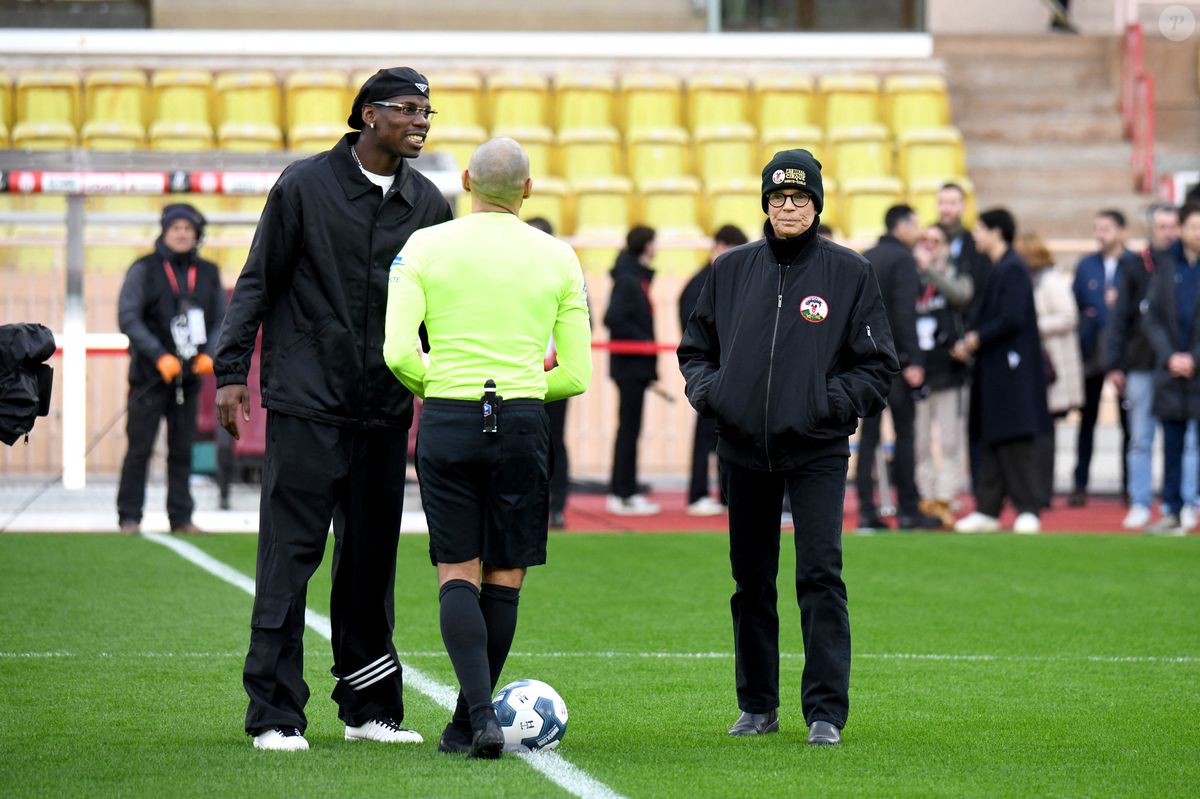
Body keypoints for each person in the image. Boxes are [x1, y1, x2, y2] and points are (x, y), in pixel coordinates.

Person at [214, 67, 453, 752]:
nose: (422, 120)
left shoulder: (429, 205)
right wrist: (232, 370)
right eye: (409, 110)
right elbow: (257, 279)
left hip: (383, 414)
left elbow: (437, 313)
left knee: (371, 566)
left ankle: (370, 708)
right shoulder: (303, 186)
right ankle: (276, 713)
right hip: (305, 407)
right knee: (289, 558)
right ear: (369, 114)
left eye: (427, 111)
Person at [678, 149, 899, 746]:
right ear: (765, 204)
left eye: (800, 198)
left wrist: (825, 405)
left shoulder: (850, 273)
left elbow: (877, 366)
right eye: (779, 198)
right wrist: (715, 394)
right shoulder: (729, 271)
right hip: (744, 449)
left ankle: (825, 713)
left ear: (818, 203)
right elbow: (695, 349)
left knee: (820, 575)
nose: (789, 207)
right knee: (751, 581)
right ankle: (757, 706)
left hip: (818, 450)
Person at [383, 137, 592, 757]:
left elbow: (397, 352)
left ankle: (476, 717)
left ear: (467, 181)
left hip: (448, 416)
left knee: (457, 570)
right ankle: (467, 721)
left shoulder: (424, 245)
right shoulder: (558, 256)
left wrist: (443, 387)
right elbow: (576, 374)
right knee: (505, 576)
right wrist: (524, 389)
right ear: (528, 189)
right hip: (523, 421)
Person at [116, 203, 224, 535]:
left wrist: (211, 353)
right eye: (175, 228)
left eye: (188, 229)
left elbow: (221, 319)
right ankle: (129, 517)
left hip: (190, 379)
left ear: (197, 235)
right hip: (149, 378)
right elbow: (128, 317)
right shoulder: (144, 268)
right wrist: (158, 355)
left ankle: (181, 518)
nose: (181, 234)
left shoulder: (208, 272)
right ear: (164, 232)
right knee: (139, 448)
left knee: (182, 450)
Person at [952, 208, 1052, 534]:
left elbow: (1012, 317)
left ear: (997, 232)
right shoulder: (998, 268)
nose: (975, 236)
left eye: (980, 229)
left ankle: (1028, 508)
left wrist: (975, 339)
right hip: (994, 371)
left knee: (1015, 440)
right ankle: (988, 509)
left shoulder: (1013, 269)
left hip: (1013, 372)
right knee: (991, 439)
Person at [1105, 203, 1195, 529]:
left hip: (1180, 366)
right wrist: (1114, 363)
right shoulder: (1134, 266)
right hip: (1143, 364)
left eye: (1174, 226)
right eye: (1163, 227)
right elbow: (1121, 319)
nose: (1169, 232)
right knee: (1141, 437)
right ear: (1151, 229)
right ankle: (1140, 501)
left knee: (1186, 440)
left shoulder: (1187, 265)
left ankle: (1187, 501)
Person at [857, 205, 940, 530]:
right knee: (905, 434)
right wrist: (913, 360)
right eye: (915, 224)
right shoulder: (903, 259)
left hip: (866, 362)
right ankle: (908, 508)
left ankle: (866, 509)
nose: (918, 231)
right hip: (894, 364)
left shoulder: (866, 257)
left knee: (869, 437)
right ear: (902, 225)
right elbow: (906, 314)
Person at [679, 224, 748, 516]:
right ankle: (698, 494)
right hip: (711, 372)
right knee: (706, 434)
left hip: (722, 369)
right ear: (720, 246)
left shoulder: (720, 279)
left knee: (725, 435)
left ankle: (723, 494)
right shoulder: (703, 283)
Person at [1140, 202, 1200, 535]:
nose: (1198, 233)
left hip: (1197, 369)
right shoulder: (1165, 265)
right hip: (1170, 371)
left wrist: (1194, 358)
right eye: (1193, 226)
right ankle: (1173, 509)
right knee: (1172, 445)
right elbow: (1152, 317)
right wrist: (1170, 356)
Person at [1070, 210, 1133, 507]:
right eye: (1097, 229)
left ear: (1121, 231)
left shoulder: (1135, 265)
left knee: (1129, 423)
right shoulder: (1086, 266)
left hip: (1125, 354)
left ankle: (1130, 485)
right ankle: (1079, 483)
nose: (1101, 234)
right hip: (1092, 353)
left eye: (1106, 229)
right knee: (1087, 420)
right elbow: (1077, 303)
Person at [912, 223, 974, 528]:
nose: (930, 246)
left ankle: (946, 497)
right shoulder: (909, 276)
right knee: (920, 441)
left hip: (949, 370)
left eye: (936, 241)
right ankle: (927, 498)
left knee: (950, 441)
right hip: (918, 373)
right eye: (925, 240)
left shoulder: (952, 272)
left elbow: (961, 295)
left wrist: (932, 271)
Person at [1018, 231, 1083, 508]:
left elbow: (1069, 317)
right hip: (1042, 367)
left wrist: (1034, 326)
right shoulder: (1036, 280)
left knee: (1045, 433)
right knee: (1039, 433)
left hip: (1052, 368)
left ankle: (1043, 490)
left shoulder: (1050, 281)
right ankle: (1036, 488)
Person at [604, 225, 661, 515]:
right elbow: (612, 318)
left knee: (630, 429)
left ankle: (626, 489)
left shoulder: (634, 277)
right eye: (654, 243)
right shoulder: (628, 280)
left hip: (634, 366)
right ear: (646, 245)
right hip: (630, 366)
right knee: (628, 430)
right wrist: (644, 343)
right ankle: (621, 492)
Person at [526, 216, 579, 529]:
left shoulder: (565, 276)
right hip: (520, 372)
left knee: (554, 440)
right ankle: (529, 504)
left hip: (553, 372)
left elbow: (584, 322)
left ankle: (556, 504)